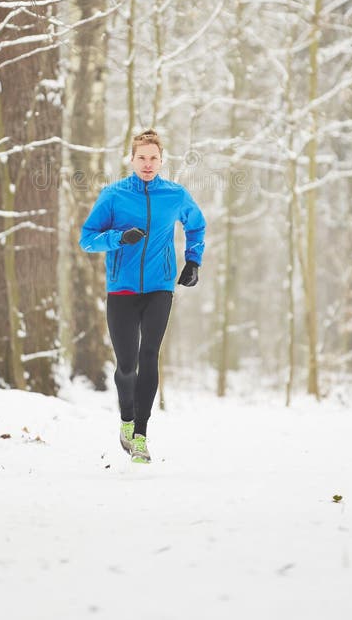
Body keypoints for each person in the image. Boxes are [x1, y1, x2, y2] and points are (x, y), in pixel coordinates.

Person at [79, 129, 206, 463]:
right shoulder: (113, 195)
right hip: (121, 288)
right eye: (141, 157)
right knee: (127, 365)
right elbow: (87, 238)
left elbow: (196, 225)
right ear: (131, 159)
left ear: (162, 160)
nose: (147, 164)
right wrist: (119, 238)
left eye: (153, 158)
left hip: (160, 286)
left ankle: (140, 436)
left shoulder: (175, 195)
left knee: (150, 354)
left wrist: (193, 260)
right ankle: (125, 420)